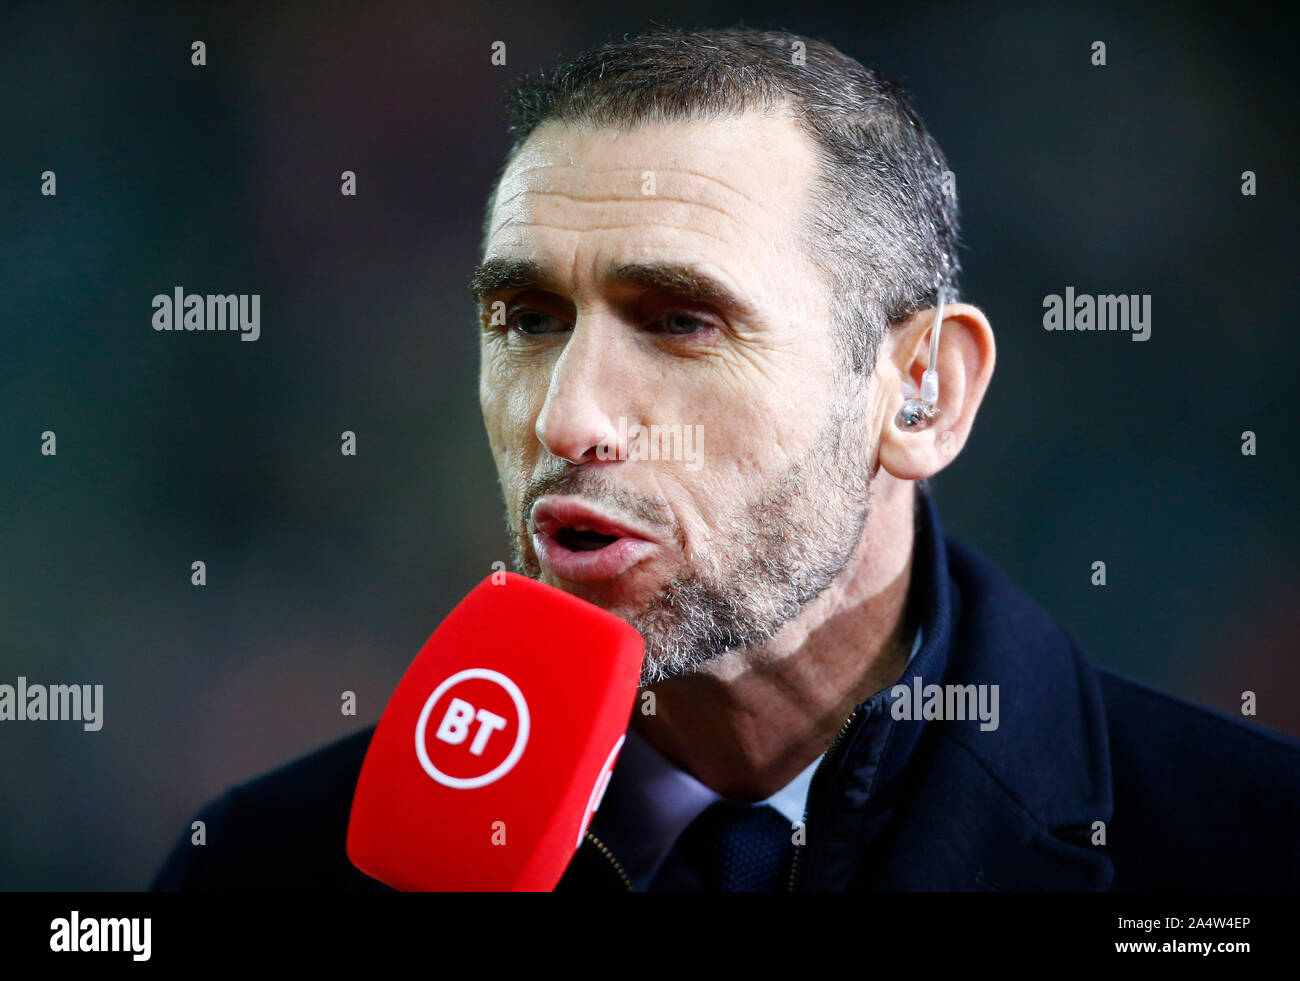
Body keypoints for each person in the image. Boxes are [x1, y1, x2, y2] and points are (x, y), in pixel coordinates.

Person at [153, 27, 1300, 892]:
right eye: (528, 319)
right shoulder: (266, 867)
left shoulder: (1243, 850)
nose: (567, 420)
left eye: (678, 321)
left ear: (921, 393)